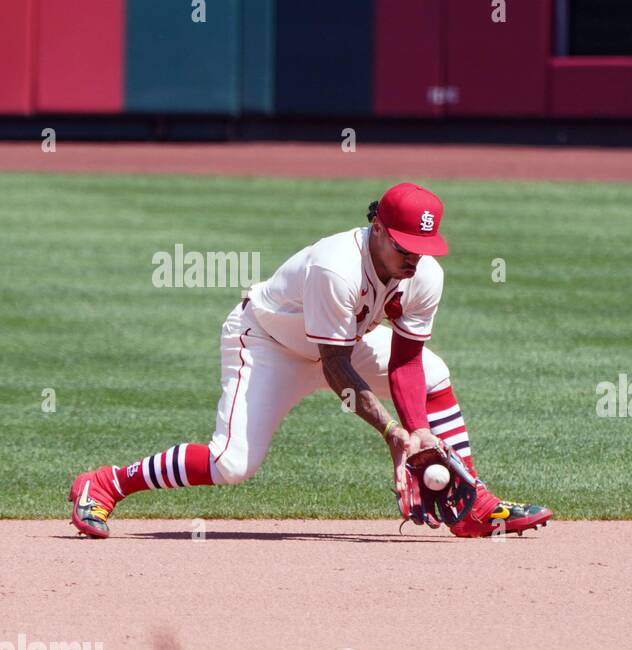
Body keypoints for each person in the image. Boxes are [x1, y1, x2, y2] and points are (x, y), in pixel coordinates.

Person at [70, 182, 552, 540]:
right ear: (378, 228)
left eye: (423, 250)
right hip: (266, 345)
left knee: (435, 374)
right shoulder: (335, 267)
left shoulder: (424, 276)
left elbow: (406, 360)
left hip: (340, 347)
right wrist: (393, 435)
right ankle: (106, 483)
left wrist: (420, 432)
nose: (414, 260)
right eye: (405, 247)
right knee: (231, 462)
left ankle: (472, 505)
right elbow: (335, 368)